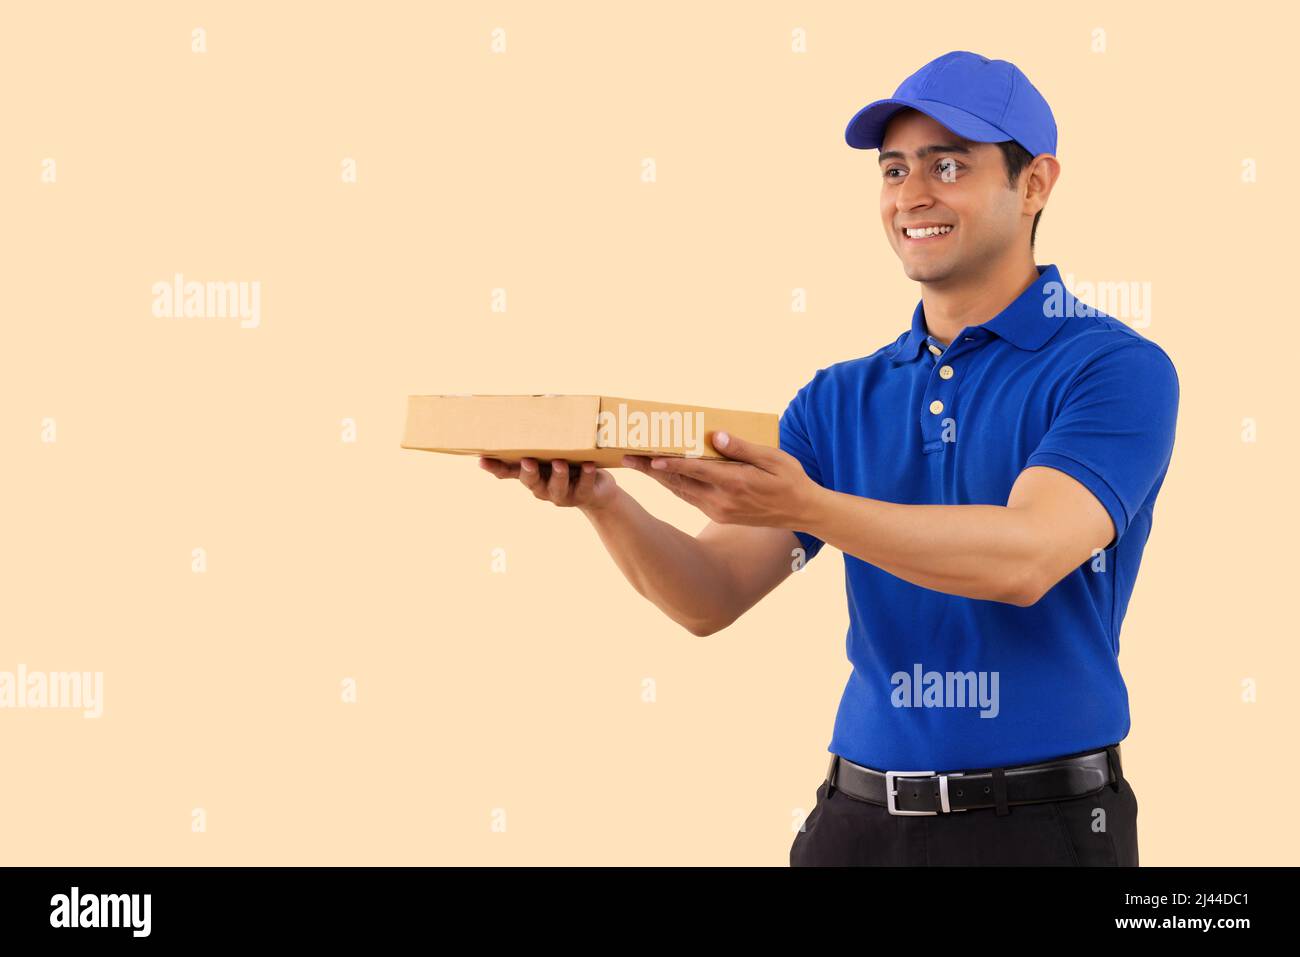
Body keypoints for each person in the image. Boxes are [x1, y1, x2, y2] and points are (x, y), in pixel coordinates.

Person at [477, 50, 1177, 866]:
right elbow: (712, 594)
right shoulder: (837, 398)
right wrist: (601, 498)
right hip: (856, 824)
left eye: (949, 166)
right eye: (893, 170)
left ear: (1035, 185)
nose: (912, 195)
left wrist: (806, 506)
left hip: (1040, 827)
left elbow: (1025, 556)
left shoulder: (1114, 368)